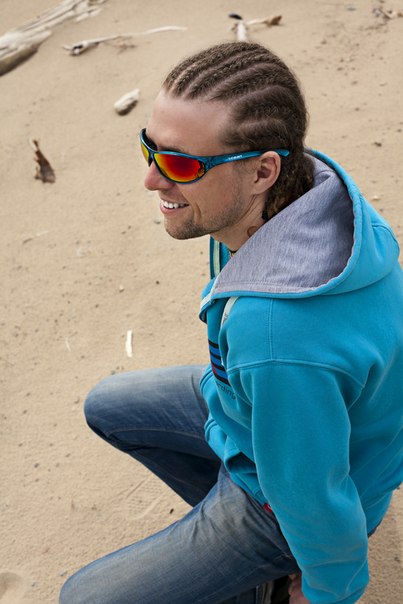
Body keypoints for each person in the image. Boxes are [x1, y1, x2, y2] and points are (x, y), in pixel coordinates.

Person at [60, 41, 403, 604]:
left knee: (84, 598)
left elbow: (311, 495)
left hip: (287, 493)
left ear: (264, 170)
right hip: (263, 419)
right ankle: (236, 554)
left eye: (181, 164)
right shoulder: (310, 192)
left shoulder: (276, 336)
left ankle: (266, 560)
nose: (151, 179)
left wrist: (329, 589)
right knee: (107, 405)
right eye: (150, 148)